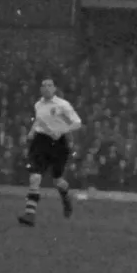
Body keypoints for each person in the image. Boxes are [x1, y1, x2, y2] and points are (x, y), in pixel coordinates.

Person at [20, 77, 83, 226]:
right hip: (41, 141)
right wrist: (31, 132)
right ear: (41, 89)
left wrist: (61, 131)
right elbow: (38, 120)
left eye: (50, 85)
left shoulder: (63, 104)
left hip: (59, 144)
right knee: (35, 176)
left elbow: (77, 123)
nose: (47, 88)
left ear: (54, 89)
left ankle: (66, 199)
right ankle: (30, 215)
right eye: (44, 86)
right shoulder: (38, 104)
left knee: (57, 180)